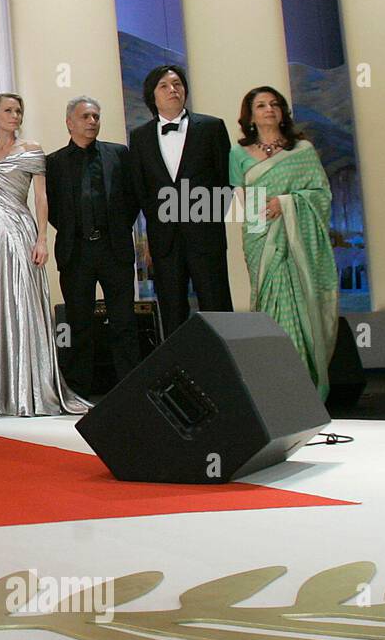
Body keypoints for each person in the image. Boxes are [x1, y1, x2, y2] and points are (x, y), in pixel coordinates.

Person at [0, 93, 88, 416]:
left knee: (23, 303)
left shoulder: (32, 150)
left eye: (18, 110)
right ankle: (0, 391)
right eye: (7, 110)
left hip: (20, 233)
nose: (15, 115)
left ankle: (31, 389)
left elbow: (41, 197)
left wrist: (42, 238)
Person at [229, 86, 337, 400]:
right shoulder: (238, 153)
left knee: (299, 306)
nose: (269, 109)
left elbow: (321, 195)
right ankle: (273, 387)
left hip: (295, 239)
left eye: (274, 104)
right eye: (261, 105)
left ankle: (300, 388)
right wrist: (260, 224)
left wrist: (287, 203)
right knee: (269, 306)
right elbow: (243, 199)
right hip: (260, 238)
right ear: (250, 115)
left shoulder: (302, 150)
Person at [45, 95, 142, 396]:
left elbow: (132, 198)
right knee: (79, 323)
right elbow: (54, 208)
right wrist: (77, 232)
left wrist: (115, 228)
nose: (92, 122)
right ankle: (78, 390)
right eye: (85, 117)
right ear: (69, 122)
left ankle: (129, 389)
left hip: (115, 248)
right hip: (77, 251)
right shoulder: (54, 162)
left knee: (124, 322)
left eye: (96, 117)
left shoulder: (118, 154)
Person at [128, 64, 233, 337]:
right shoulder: (140, 137)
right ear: (152, 95)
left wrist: (206, 218)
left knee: (217, 308)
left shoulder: (212, 127)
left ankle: (225, 375)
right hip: (165, 240)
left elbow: (226, 181)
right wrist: (157, 228)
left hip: (206, 236)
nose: (172, 90)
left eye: (177, 84)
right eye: (164, 85)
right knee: (172, 313)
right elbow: (142, 189)